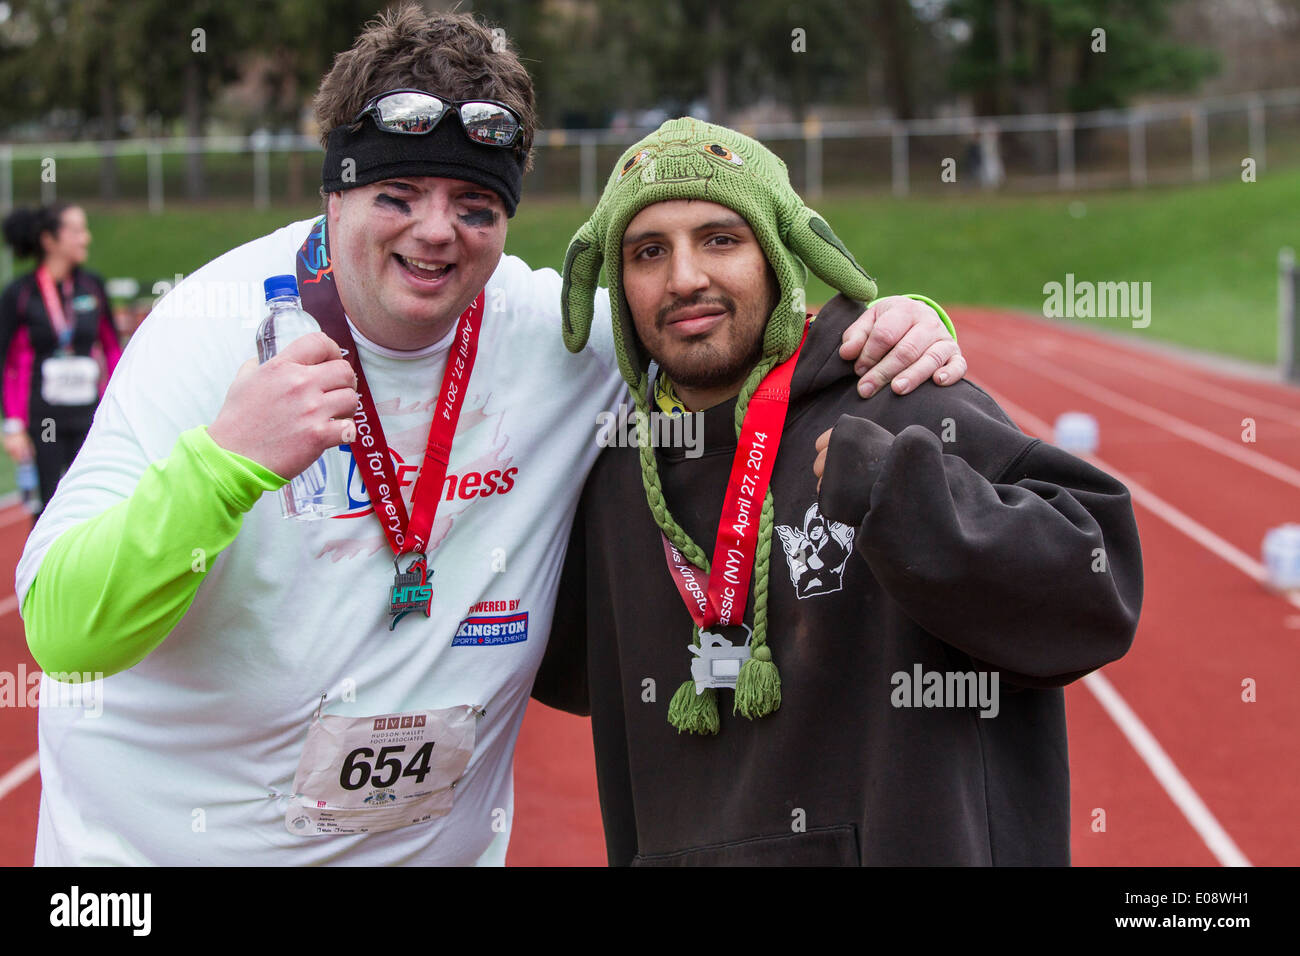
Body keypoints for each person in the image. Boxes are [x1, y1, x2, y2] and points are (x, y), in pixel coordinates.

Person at [17, 5, 965, 866]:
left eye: (475, 207)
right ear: (333, 196)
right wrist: (224, 465)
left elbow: (730, 329)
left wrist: (899, 320)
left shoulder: (562, 337)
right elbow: (64, 633)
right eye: (398, 195)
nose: (437, 234)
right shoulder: (211, 331)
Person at [535, 117, 1144, 865]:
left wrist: (907, 495)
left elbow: (1098, 592)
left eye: (720, 239)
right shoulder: (619, 477)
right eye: (648, 251)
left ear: (781, 256)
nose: (684, 276)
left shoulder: (899, 396)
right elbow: (556, 667)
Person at [0, 204, 122, 518]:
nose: (86, 238)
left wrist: (116, 406)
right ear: (50, 240)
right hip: (44, 419)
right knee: (48, 508)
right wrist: (13, 425)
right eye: (77, 230)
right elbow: (8, 363)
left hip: (91, 417)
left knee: (96, 504)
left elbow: (111, 349)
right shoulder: (21, 294)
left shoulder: (92, 287)